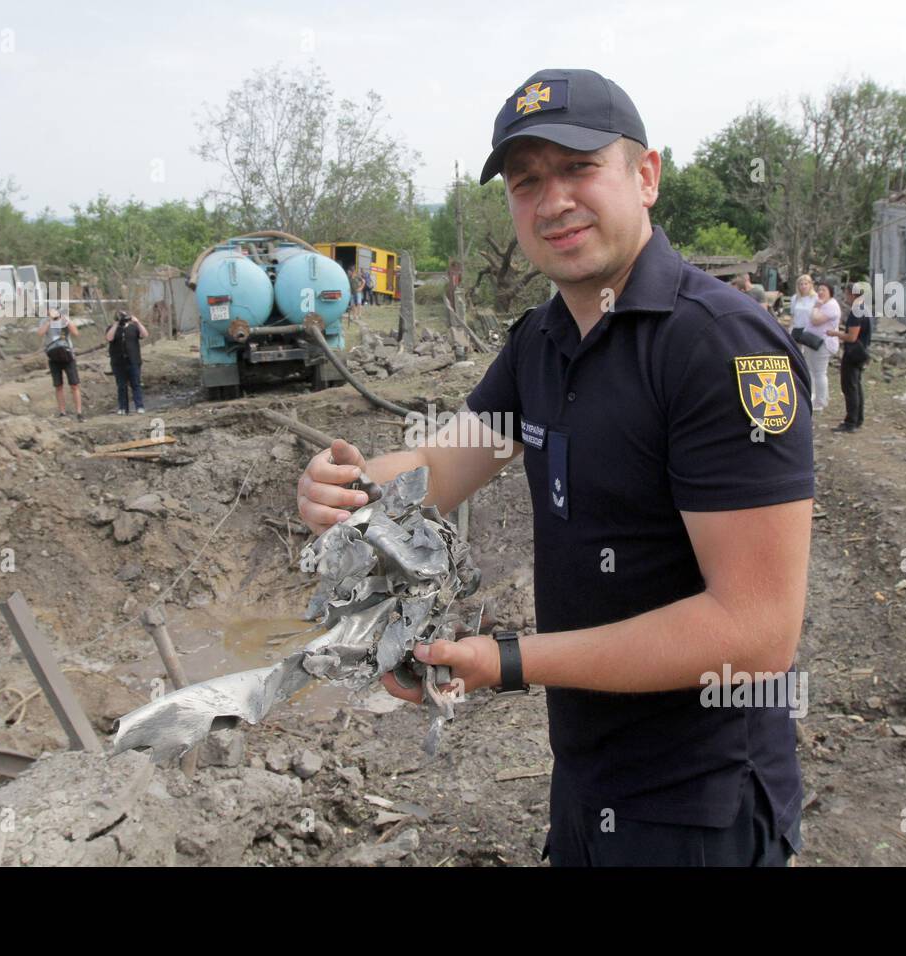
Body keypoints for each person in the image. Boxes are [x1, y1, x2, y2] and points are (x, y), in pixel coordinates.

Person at [296, 68, 813, 867]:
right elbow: (442, 462)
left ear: (646, 176)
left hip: (700, 803)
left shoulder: (718, 346)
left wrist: (508, 661)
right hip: (586, 777)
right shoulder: (541, 340)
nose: (552, 200)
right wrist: (348, 490)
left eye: (578, 168)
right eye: (526, 180)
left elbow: (756, 633)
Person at [829, 283, 872, 432]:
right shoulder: (864, 309)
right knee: (856, 386)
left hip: (854, 353)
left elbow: (852, 337)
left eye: (846, 294)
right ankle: (858, 418)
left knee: (850, 387)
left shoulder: (856, 312)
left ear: (852, 294)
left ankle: (851, 421)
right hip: (860, 352)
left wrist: (835, 334)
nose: (845, 297)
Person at [37, 308, 84, 421]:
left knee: (74, 385)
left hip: (67, 355)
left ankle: (79, 412)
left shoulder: (65, 319)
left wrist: (64, 321)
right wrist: (50, 321)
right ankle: (62, 412)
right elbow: (40, 334)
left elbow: (76, 333)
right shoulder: (44, 321)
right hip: (53, 356)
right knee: (58, 386)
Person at [804, 280, 841, 412]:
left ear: (830, 292)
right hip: (812, 341)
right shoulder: (821, 304)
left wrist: (816, 307)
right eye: (819, 289)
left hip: (823, 343)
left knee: (819, 372)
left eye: (823, 290)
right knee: (810, 370)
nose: (820, 292)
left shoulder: (831, 306)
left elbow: (815, 320)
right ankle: (812, 396)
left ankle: (821, 401)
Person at [106, 309, 149, 415]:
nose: (123, 319)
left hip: (133, 360)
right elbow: (109, 338)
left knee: (136, 384)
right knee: (121, 385)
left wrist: (137, 322)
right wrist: (116, 324)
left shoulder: (133, 328)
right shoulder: (111, 329)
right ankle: (123, 407)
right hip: (118, 362)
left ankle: (139, 406)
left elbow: (145, 335)